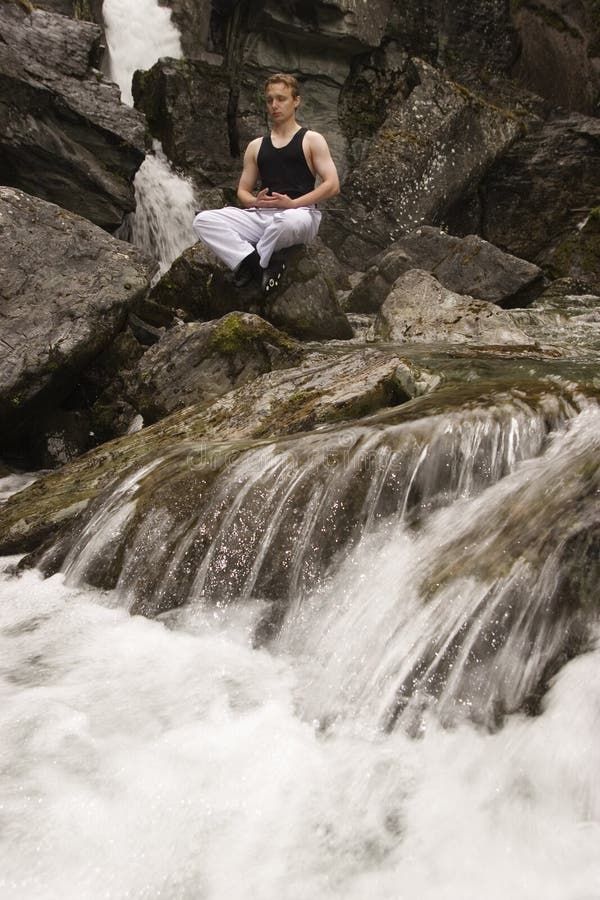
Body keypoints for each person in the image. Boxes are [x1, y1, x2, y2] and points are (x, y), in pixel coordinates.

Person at [192, 73, 340, 295]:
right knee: (203, 220)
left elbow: (332, 185)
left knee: (286, 222)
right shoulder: (256, 146)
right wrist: (254, 200)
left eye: (281, 99)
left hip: (299, 215)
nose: (274, 105)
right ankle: (258, 264)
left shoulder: (311, 139)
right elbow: (242, 190)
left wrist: (294, 203)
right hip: (261, 215)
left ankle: (252, 263)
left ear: (296, 101)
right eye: (270, 100)